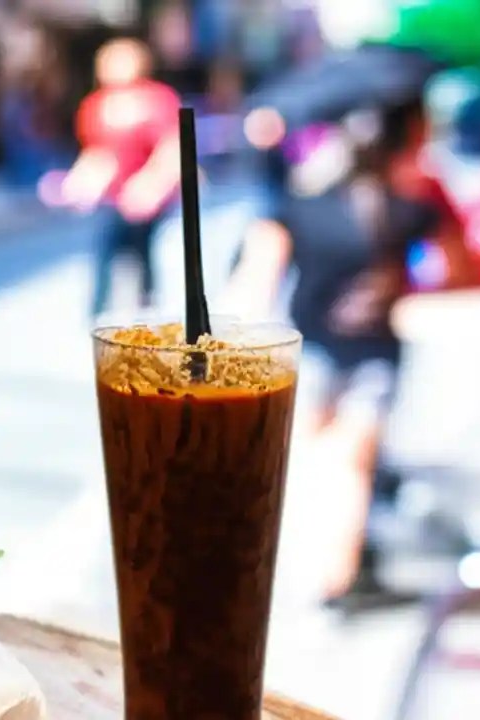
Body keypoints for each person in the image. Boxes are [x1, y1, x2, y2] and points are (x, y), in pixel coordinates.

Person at [227, 108, 445, 610]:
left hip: (312, 348)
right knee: (353, 467)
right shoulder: (407, 209)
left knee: (303, 459)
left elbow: (256, 282)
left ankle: (276, 566)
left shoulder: (298, 206)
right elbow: (454, 267)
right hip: (374, 352)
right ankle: (336, 574)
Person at [65, 38, 181, 316]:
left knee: (145, 253)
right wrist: (80, 180)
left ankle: (148, 307)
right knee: (104, 250)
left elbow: (171, 147)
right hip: (113, 196)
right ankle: (98, 313)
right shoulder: (94, 105)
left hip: (149, 194)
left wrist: (152, 184)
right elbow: (95, 151)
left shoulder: (158, 99)